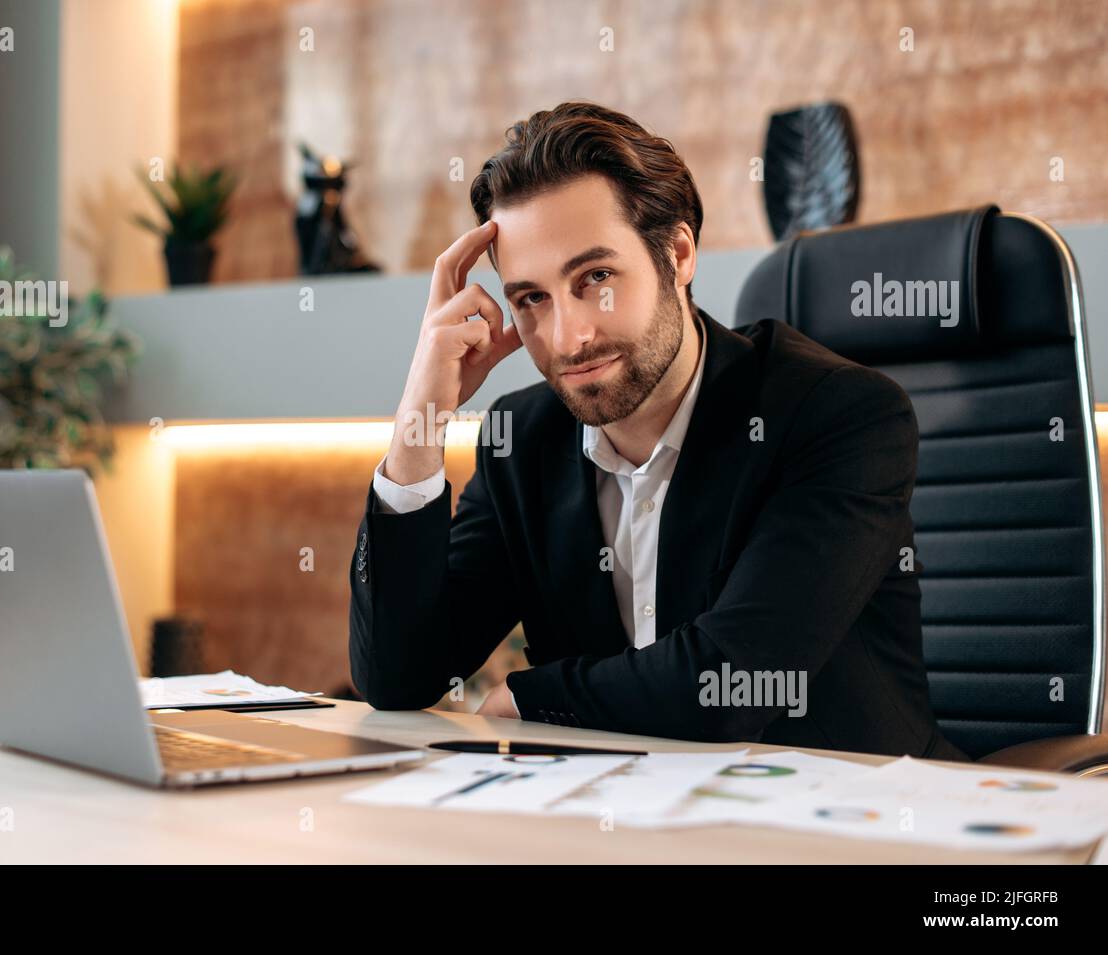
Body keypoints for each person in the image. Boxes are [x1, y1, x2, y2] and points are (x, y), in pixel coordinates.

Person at [348, 101, 967, 761]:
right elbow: (399, 673)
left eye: (596, 278)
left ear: (677, 253)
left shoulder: (837, 415)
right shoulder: (523, 438)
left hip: (849, 822)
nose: (569, 336)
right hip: (619, 820)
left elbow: (734, 681)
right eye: (532, 298)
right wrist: (422, 412)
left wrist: (530, 699)